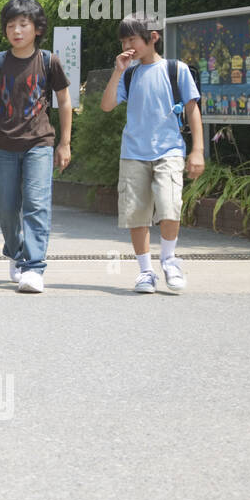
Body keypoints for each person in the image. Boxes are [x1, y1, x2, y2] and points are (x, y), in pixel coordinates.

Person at [0, 0, 73, 293]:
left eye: (23, 24)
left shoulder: (48, 61)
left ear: (37, 29)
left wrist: (64, 143)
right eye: (11, 25)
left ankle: (34, 267)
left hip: (39, 144)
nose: (16, 30)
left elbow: (64, 102)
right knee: (5, 208)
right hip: (4, 146)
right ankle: (16, 251)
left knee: (36, 205)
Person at [99, 15, 204, 293]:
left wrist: (198, 151)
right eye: (123, 41)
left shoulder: (175, 69)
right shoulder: (130, 73)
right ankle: (146, 272)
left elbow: (193, 109)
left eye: (132, 39)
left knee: (170, 206)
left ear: (153, 37)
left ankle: (169, 260)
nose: (127, 46)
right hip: (133, 152)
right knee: (137, 215)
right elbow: (107, 105)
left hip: (169, 150)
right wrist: (118, 70)